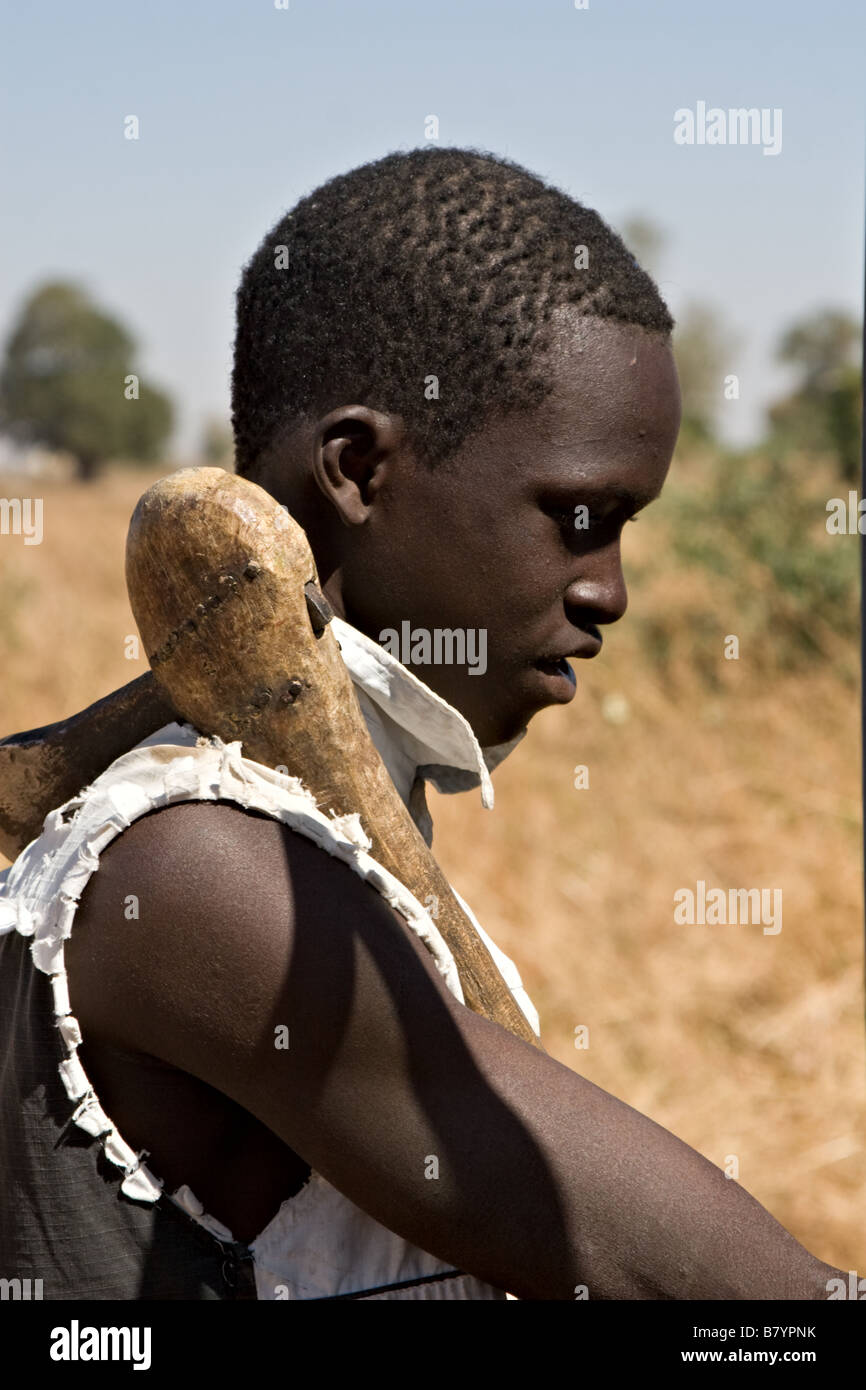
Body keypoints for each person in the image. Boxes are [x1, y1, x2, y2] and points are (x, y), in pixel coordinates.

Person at [0, 146, 843, 1300]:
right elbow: (710, 1289)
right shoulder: (201, 868)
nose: (609, 591)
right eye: (575, 517)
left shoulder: (306, 836)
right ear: (356, 470)